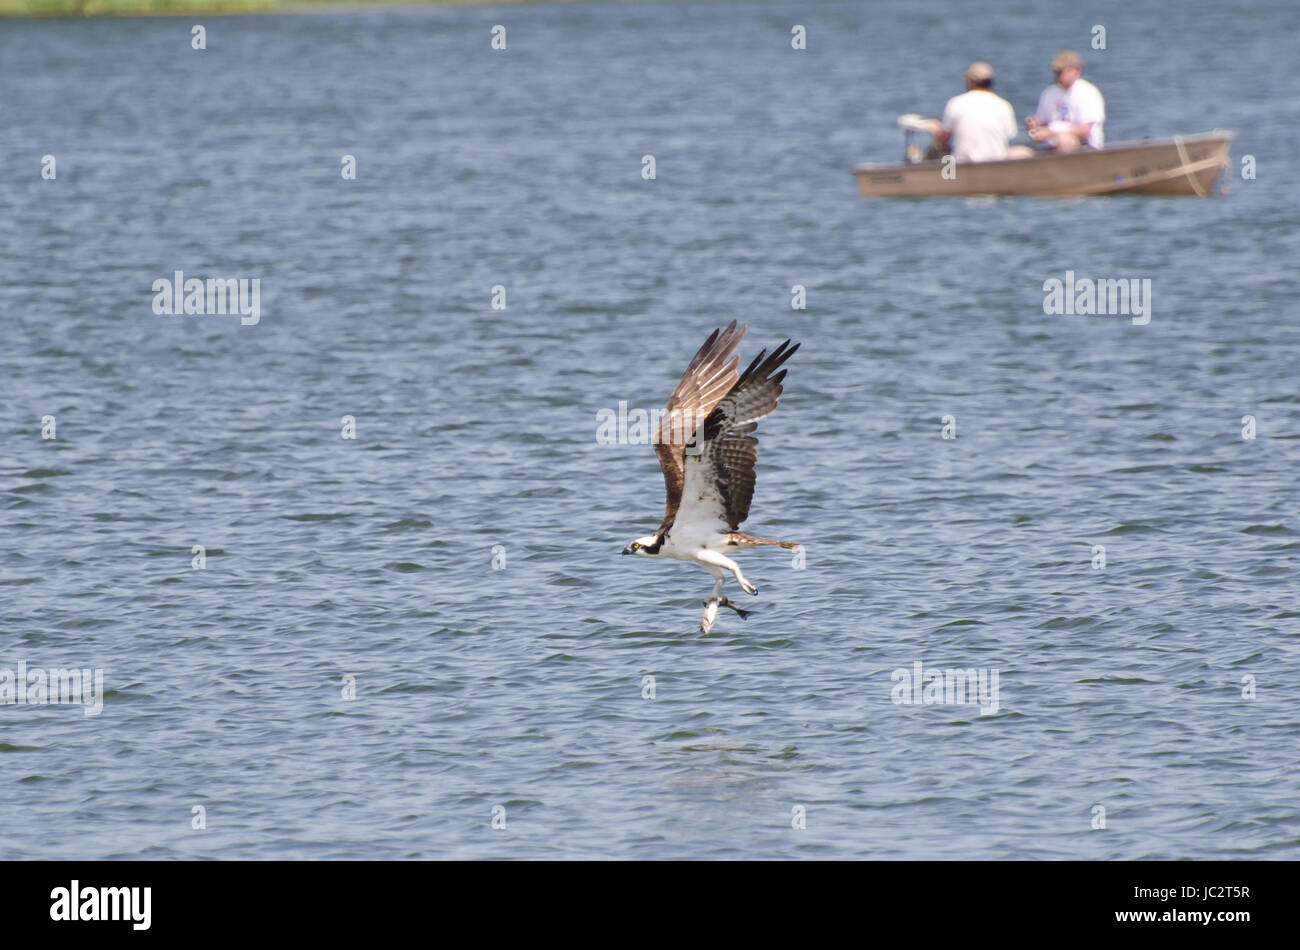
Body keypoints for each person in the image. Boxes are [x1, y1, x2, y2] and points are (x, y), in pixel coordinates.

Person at [921, 61, 1019, 163]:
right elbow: (1011, 134)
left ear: (971, 81)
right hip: (997, 163)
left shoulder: (956, 103)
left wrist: (936, 131)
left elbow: (944, 138)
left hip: (964, 164)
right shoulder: (1004, 105)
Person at [1025, 50, 1105, 152]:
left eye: (1061, 72)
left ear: (1076, 71)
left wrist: (1051, 132)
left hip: (1086, 147)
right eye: (1055, 72)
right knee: (1018, 153)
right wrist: (1033, 125)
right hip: (1052, 144)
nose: (1057, 77)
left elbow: (1084, 130)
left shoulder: (1088, 93)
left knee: (1064, 140)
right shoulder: (1049, 93)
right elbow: (1042, 122)